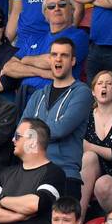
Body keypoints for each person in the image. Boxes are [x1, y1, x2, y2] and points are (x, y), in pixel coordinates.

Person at [22, 38, 93, 199]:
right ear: (49, 59)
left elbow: (61, 129)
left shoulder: (82, 92)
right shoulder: (38, 94)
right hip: (33, 172)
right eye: (54, 54)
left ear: (73, 61)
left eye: (64, 55)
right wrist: (30, 133)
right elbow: (20, 132)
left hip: (64, 175)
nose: (58, 59)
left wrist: (31, 132)